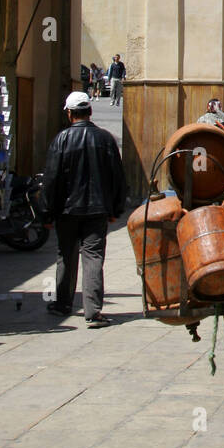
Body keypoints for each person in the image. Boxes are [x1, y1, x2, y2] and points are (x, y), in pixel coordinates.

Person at [42, 91, 127, 327]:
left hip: (67, 211)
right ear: (90, 111)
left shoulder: (61, 140)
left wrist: (47, 213)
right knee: (93, 257)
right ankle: (94, 311)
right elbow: (118, 178)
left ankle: (61, 304)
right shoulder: (105, 139)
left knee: (66, 256)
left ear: (69, 114)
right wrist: (115, 209)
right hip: (97, 211)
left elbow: (51, 180)